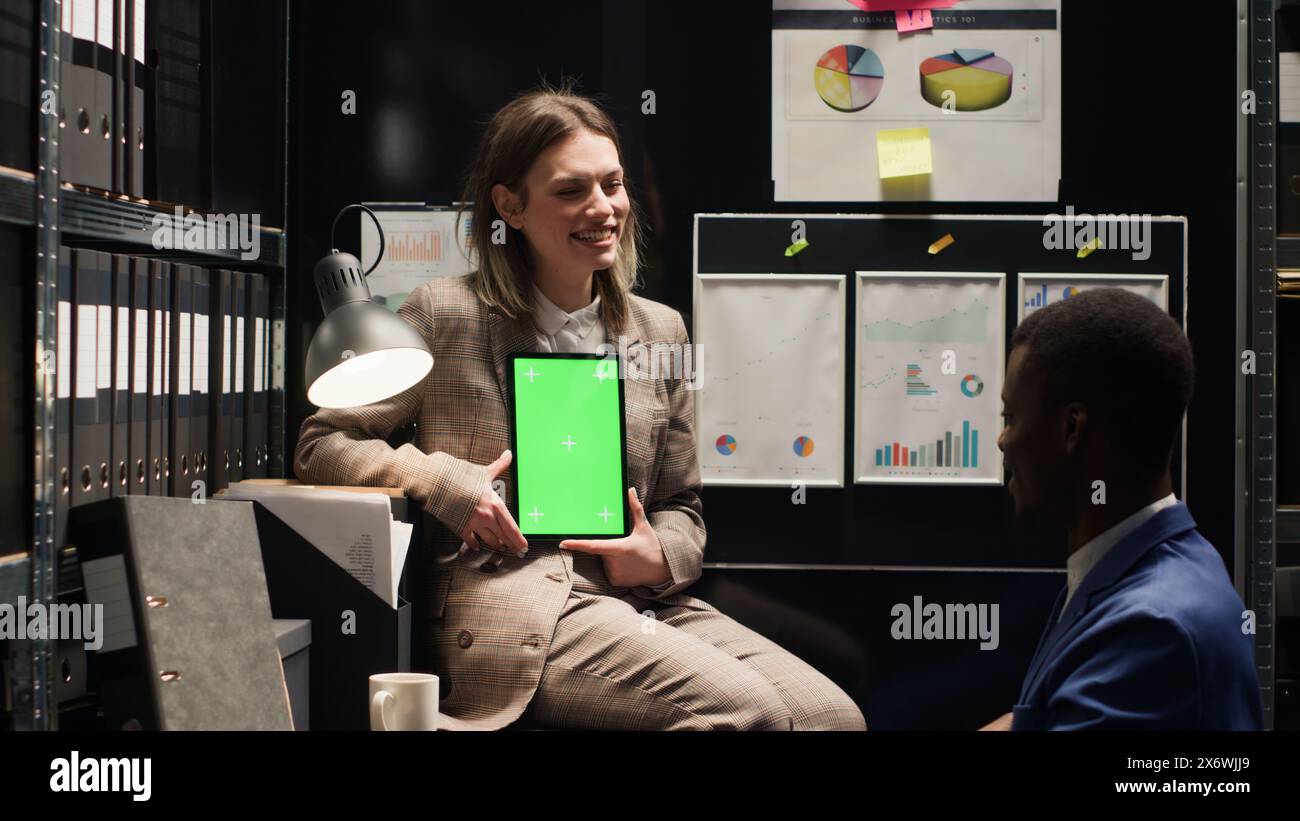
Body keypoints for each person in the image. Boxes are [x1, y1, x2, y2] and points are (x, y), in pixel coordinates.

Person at [294, 81, 866, 731]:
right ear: (509, 205)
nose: (604, 208)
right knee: (747, 711)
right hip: (513, 609)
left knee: (832, 716)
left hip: (642, 601)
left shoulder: (660, 331)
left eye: (613, 184)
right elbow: (322, 445)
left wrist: (660, 554)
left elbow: (683, 509)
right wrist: (447, 483)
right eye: (572, 190)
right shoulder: (441, 314)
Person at [982, 288, 1261, 730]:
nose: (1003, 440)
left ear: (1071, 428)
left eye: (1011, 417)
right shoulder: (1136, 571)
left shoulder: (1152, 629)